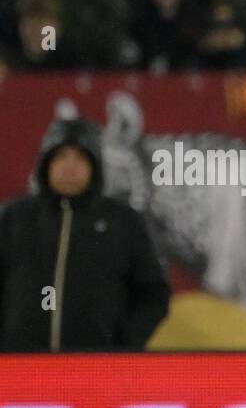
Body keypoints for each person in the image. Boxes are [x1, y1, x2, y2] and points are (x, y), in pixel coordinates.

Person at [0, 117, 170, 351]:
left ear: (95, 166)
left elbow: (153, 293)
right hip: (20, 369)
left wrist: (123, 343)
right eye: (61, 156)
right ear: (45, 163)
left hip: (98, 372)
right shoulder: (14, 217)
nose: (70, 166)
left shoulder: (122, 220)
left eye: (80, 157)